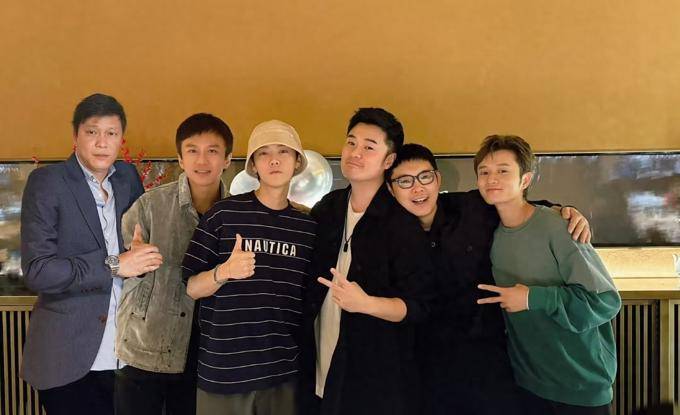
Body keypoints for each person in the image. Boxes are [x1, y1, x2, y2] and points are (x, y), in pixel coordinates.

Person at [386, 143, 591, 414]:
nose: (417, 188)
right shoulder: (387, 234)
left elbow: (522, 207)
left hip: (488, 357)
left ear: (437, 179)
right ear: (391, 189)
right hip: (425, 363)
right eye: (404, 181)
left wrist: (565, 210)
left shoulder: (470, 208)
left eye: (425, 177)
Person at [20, 93, 160, 415]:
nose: (102, 142)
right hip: (69, 357)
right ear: (75, 136)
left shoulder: (127, 178)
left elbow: (136, 250)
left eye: (111, 133)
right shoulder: (48, 182)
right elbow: (38, 271)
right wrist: (114, 265)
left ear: (121, 139)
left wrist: (142, 261)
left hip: (128, 353)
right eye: (92, 131)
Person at [300, 108, 434, 415]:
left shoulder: (402, 225)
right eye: (351, 143)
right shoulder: (328, 208)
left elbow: (420, 306)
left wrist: (366, 304)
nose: (355, 153)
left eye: (369, 147)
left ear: (388, 160)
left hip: (372, 376)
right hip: (318, 363)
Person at [474, 135, 621, 414]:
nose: (492, 179)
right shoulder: (490, 234)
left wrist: (533, 298)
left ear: (525, 180)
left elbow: (604, 302)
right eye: (484, 172)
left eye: (503, 171)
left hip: (579, 382)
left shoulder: (560, 226)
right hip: (528, 381)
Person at [182, 120, 316, 415]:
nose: (274, 160)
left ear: (297, 161)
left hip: (282, 372)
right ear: (253, 165)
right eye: (264, 153)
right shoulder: (224, 214)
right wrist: (223, 272)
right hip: (223, 372)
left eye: (283, 151)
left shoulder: (307, 228)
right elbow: (191, 288)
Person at [114, 113, 233, 415]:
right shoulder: (150, 205)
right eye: (192, 150)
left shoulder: (237, 214)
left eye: (212, 151)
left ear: (227, 159)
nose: (202, 160)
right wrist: (127, 262)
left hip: (206, 353)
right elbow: (110, 264)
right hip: (146, 343)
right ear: (180, 159)